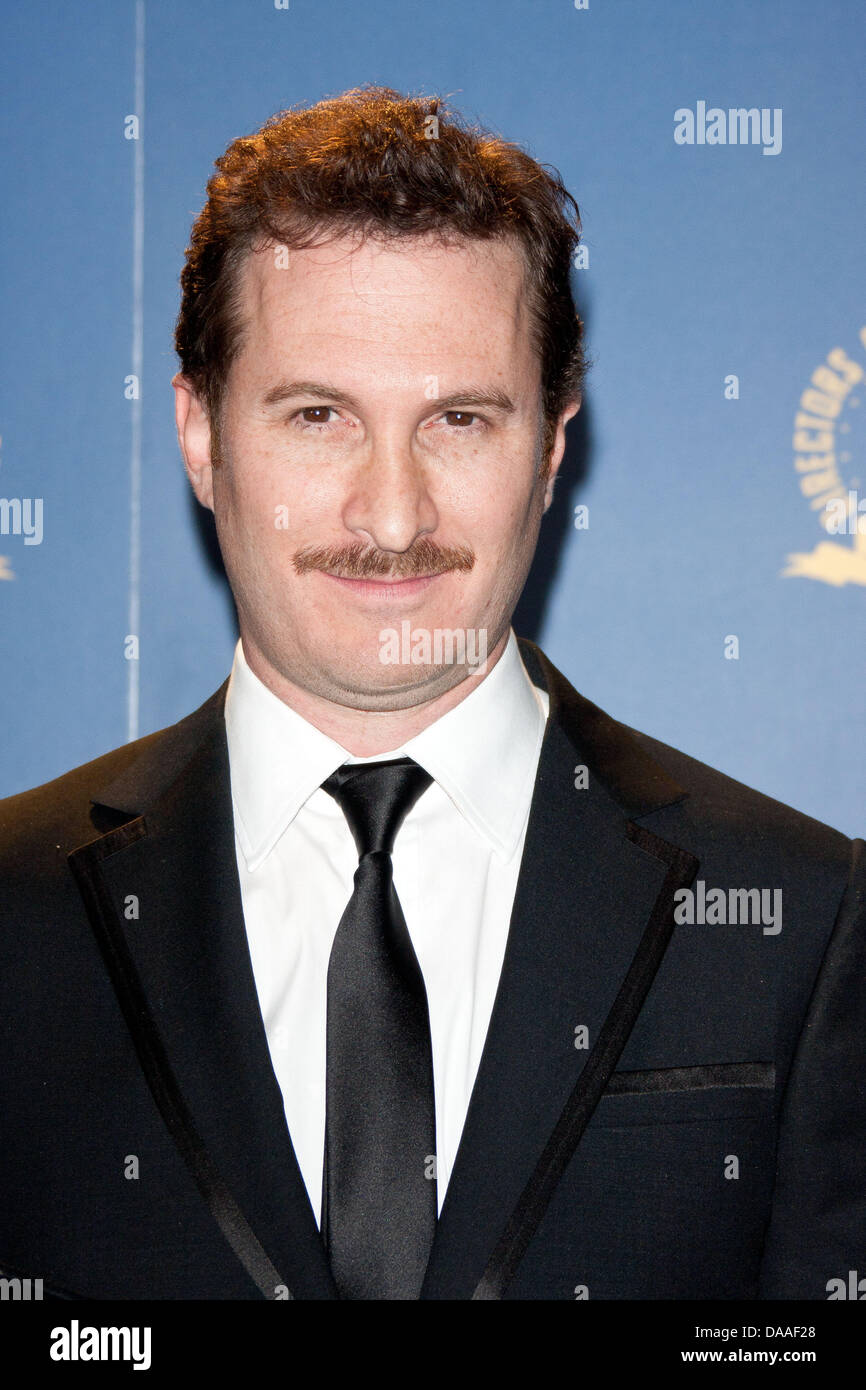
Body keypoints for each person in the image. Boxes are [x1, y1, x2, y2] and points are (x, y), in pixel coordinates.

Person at [0, 86, 862, 1302]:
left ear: (552, 448)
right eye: (316, 416)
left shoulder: (803, 918)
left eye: (458, 419)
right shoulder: (12, 914)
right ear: (199, 437)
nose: (392, 516)